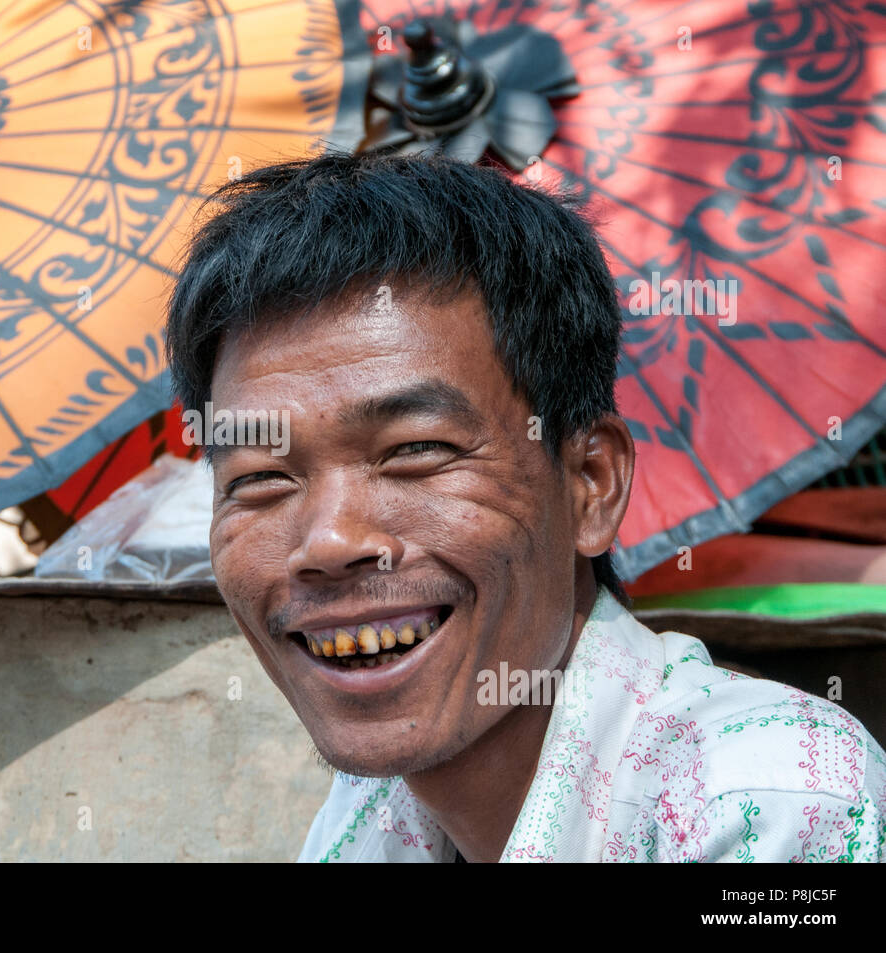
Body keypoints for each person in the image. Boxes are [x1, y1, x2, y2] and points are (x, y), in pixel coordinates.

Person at [164, 151, 886, 862]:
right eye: (260, 477)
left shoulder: (771, 804)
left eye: (415, 449)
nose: (327, 541)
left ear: (590, 483)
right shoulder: (369, 816)